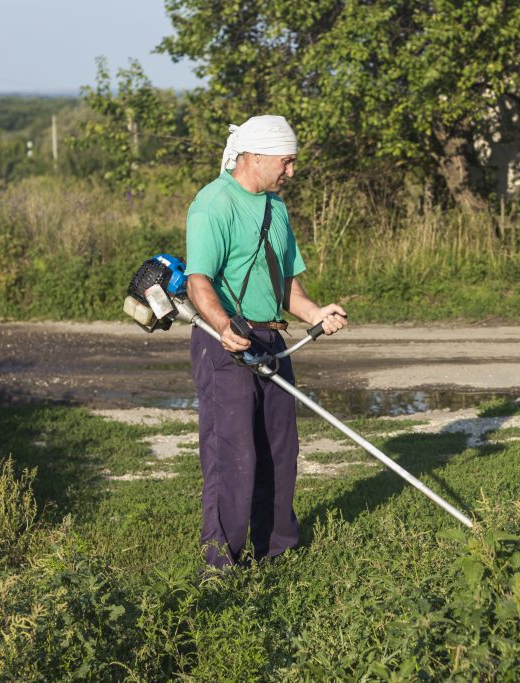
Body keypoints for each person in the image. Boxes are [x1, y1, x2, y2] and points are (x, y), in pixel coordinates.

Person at [185, 115, 347, 570]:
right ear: (255, 156)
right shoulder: (213, 204)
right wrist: (222, 327)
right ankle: (220, 564)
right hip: (225, 340)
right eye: (286, 162)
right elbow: (198, 281)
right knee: (233, 452)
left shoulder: (276, 208)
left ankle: (277, 552)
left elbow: (286, 286)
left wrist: (315, 313)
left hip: (273, 339)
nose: (291, 172)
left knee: (280, 449)